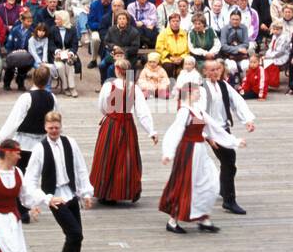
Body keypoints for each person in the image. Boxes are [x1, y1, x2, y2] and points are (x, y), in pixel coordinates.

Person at [159, 71, 244, 234]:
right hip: (188, 152)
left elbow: (212, 128)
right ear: (189, 94)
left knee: (209, 180)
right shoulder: (185, 111)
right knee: (186, 183)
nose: (200, 93)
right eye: (197, 91)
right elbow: (175, 131)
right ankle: (173, 220)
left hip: (199, 150)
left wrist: (234, 141)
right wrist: (168, 152)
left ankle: (204, 218)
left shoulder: (197, 110)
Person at [24, 110, 94, 252]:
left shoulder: (70, 143)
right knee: (73, 233)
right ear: (45, 128)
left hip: (71, 193)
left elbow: (80, 168)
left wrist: (86, 193)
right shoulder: (40, 149)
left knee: (79, 233)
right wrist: (43, 199)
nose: (54, 131)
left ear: (61, 126)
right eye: (50, 128)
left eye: (56, 127)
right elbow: (30, 179)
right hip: (55, 197)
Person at [91, 59, 158, 205]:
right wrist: (151, 131)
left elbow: (101, 106)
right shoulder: (134, 88)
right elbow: (142, 112)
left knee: (106, 157)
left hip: (110, 124)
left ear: (116, 70)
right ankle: (121, 191)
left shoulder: (108, 86)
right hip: (127, 125)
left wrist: (109, 115)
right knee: (126, 158)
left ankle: (104, 192)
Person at [200, 58, 256, 217]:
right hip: (212, 131)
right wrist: (206, 136)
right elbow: (199, 114)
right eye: (211, 70)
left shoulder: (224, 85)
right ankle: (229, 200)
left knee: (228, 162)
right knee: (229, 162)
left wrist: (247, 120)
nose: (215, 72)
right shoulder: (202, 89)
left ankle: (223, 189)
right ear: (204, 72)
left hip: (224, 130)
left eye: (217, 69)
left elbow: (237, 101)